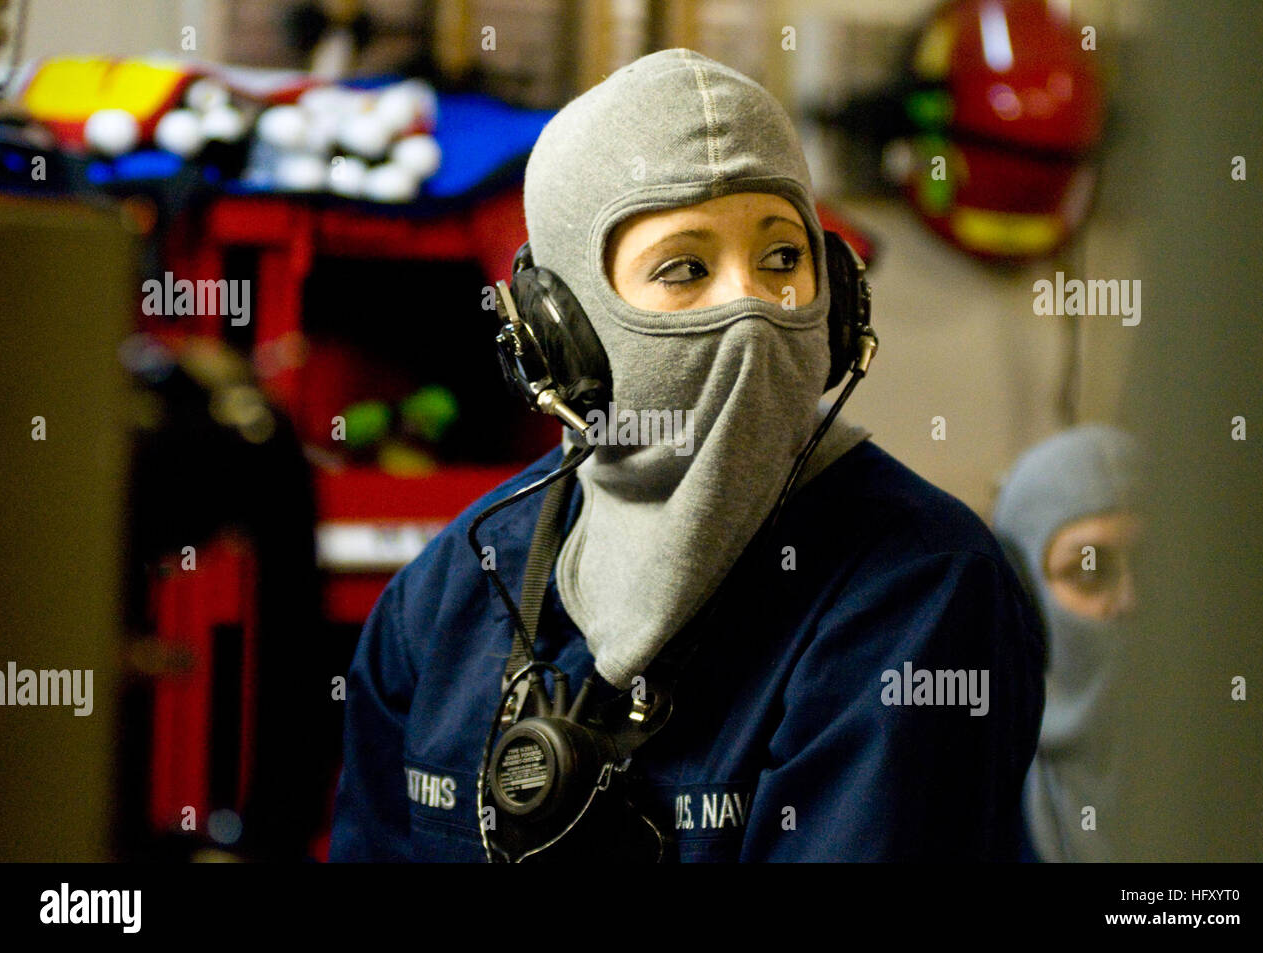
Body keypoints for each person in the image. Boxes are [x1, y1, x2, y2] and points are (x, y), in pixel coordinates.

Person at [330, 48, 1044, 862]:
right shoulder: (447, 596)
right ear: (560, 333)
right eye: (684, 268)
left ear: (837, 297)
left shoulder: (922, 589)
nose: (749, 307)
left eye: (782, 258)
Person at [992, 424, 1141, 862]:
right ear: (1024, 595)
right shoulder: (971, 797)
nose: (1132, 601)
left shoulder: (1248, 774)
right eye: (1090, 572)